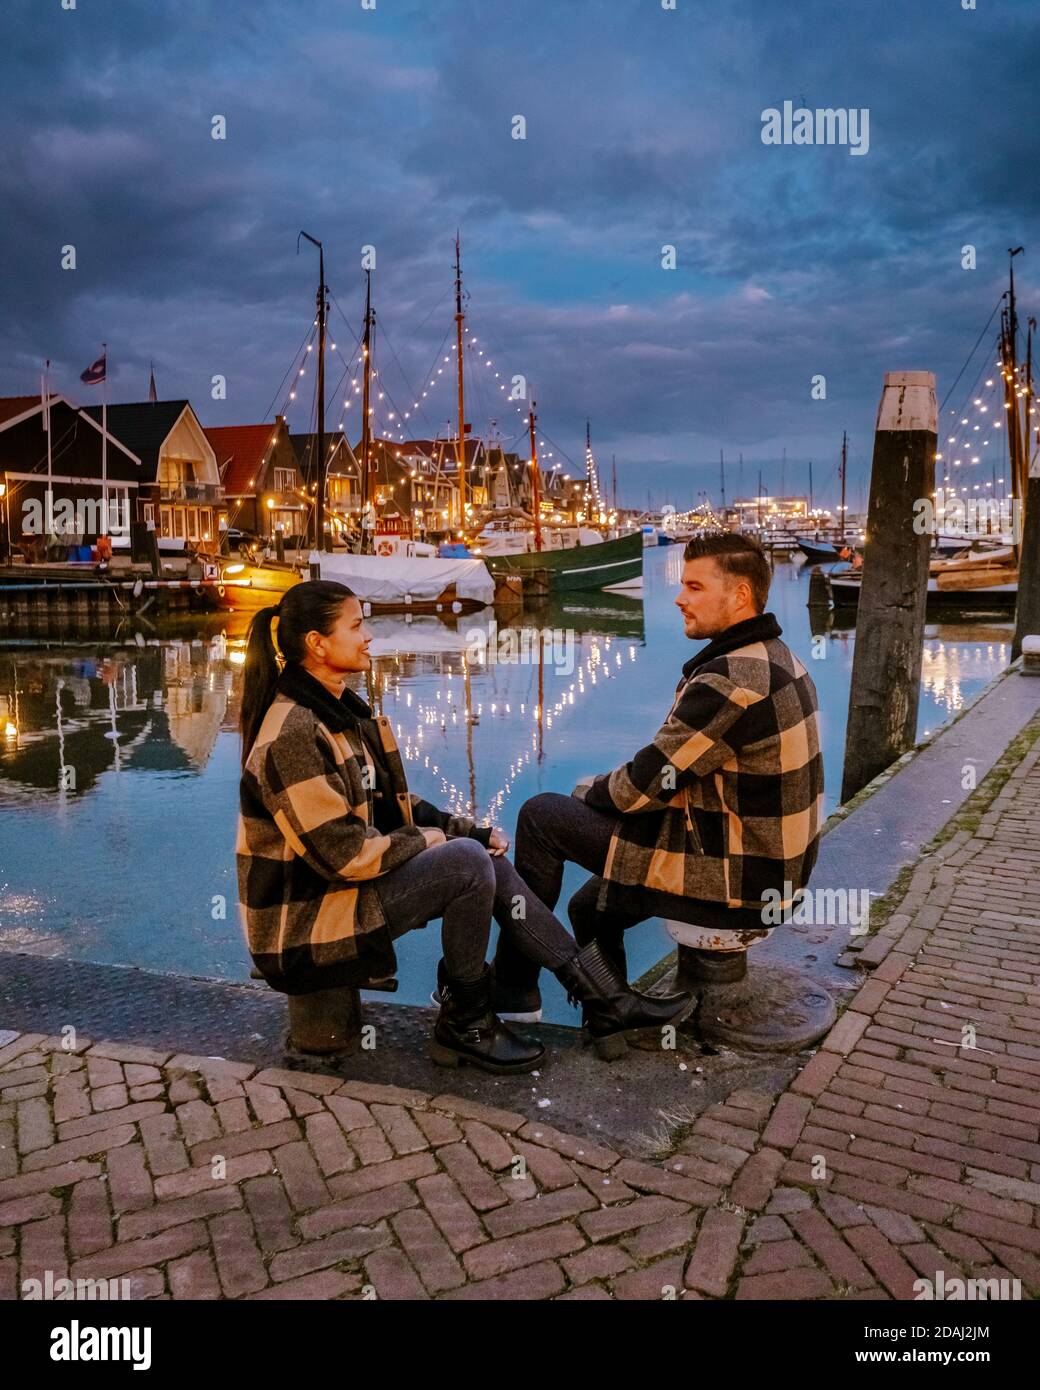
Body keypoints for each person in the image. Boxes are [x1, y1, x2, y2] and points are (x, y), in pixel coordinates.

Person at [236, 581, 693, 1075]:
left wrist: (467, 830)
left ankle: (602, 999)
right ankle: (470, 1020)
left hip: (334, 897)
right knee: (467, 866)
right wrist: (436, 841)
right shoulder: (296, 732)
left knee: (480, 858)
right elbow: (344, 856)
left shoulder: (336, 712)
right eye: (356, 626)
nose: (368, 636)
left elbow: (393, 806)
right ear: (317, 644)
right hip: (305, 921)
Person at [494, 532, 825, 1017]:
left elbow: (640, 788)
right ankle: (610, 1017)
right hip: (771, 867)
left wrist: (585, 791)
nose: (678, 598)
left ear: (739, 595)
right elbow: (679, 774)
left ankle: (512, 992)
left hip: (740, 880)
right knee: (591, 905)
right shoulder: (779, 658)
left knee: (542, 816)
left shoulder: (730, 679)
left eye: (694, 587)